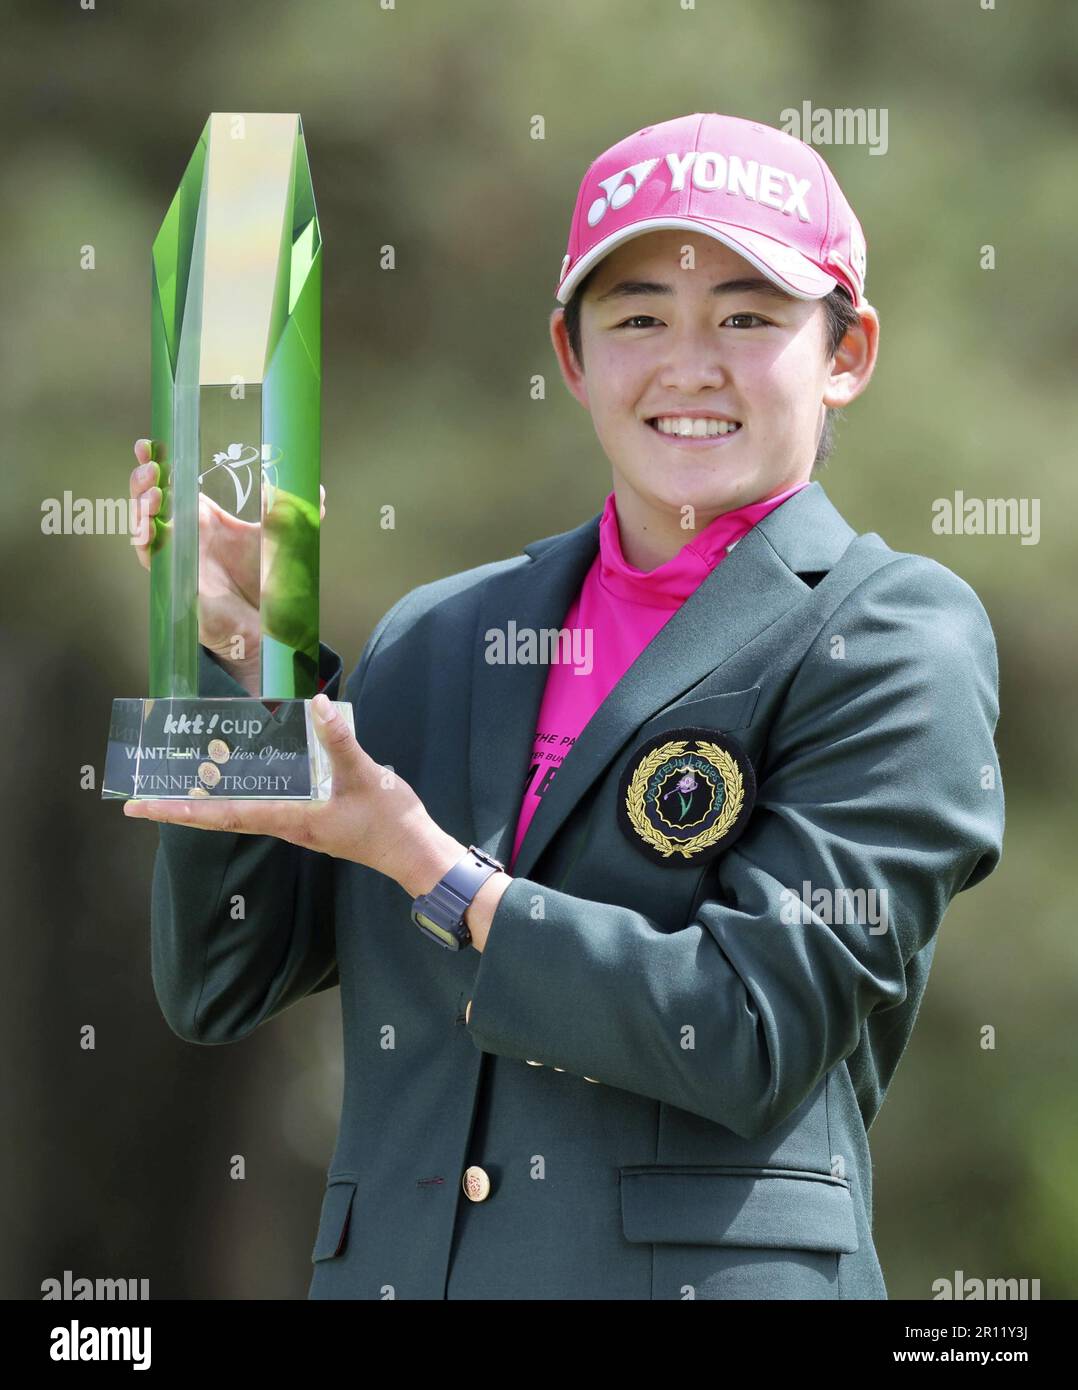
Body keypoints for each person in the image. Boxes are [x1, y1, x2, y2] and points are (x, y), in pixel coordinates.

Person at [124, 112, 1004, 1300]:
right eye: (638, 315)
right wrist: (245, 662)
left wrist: (433, 868)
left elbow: (745, 1031)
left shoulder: (893, 633)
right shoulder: (441, 635)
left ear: (846, 352)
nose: (689, 363)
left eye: (747, 315)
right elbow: (222, 981)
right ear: (573, 354)